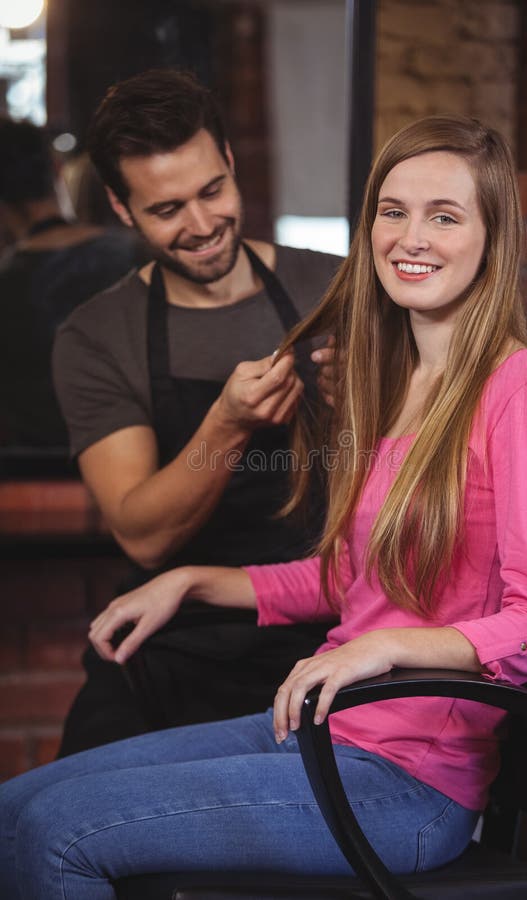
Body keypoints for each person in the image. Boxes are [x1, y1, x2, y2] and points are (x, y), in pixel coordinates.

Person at [0, 114, 527, 896]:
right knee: (12, 809)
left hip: (409, 785)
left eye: (444, 216)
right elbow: (345, 581)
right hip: (321, 732)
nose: (411, 237)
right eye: (393, 210)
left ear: (492, 235)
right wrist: (195, 579)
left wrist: (383, 650)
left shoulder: (524, 391)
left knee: (59, 831)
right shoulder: (396, 385)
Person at [51, 69, 341, 755]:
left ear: (232, 163)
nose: (204, 225)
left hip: (327, 624)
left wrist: (363, 413)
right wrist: (228, 425)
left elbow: (422, 472)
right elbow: (143, 535)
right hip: (176, 637)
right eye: (167, 209)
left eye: (214, 190)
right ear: (123, 210)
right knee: (49, 812)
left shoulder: (335, 289)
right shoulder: (98, 336)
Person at [0, 116, 146, 449]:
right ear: (55, 168)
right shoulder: (135, 255)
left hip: (34, 476)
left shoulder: (7, 284)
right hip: (144, 461)